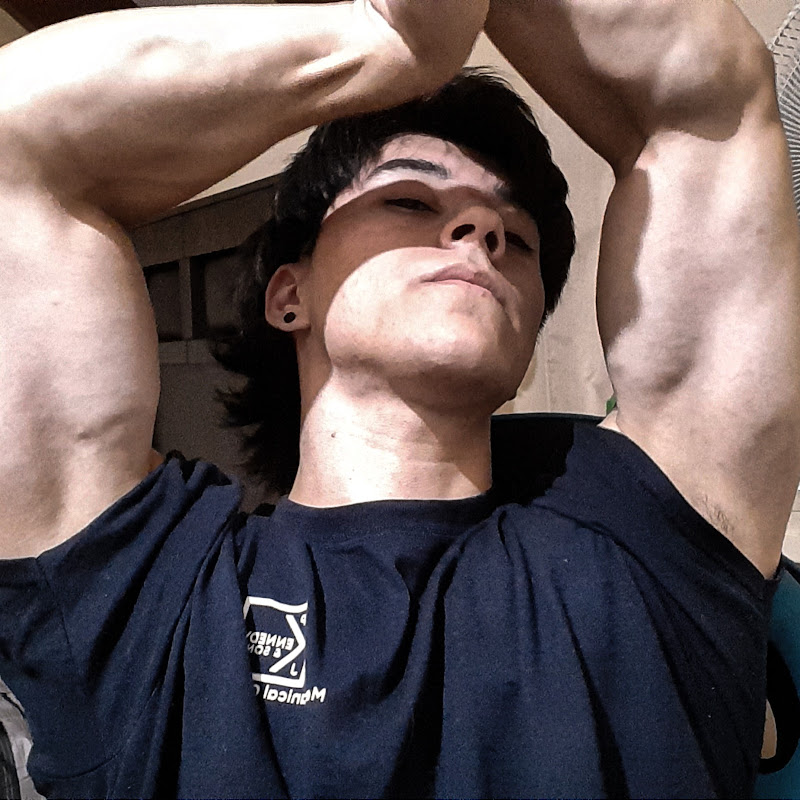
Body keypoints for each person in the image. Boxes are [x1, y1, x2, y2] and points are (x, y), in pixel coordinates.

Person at [0, 0, 797, 797]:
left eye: (517, 239)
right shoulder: (145, 597)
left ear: (524, 345)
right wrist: (386, 43)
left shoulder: (654, 539)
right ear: (290, 295)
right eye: (411, 202)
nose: (482, 228)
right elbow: (16, 142)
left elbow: (713, 100)